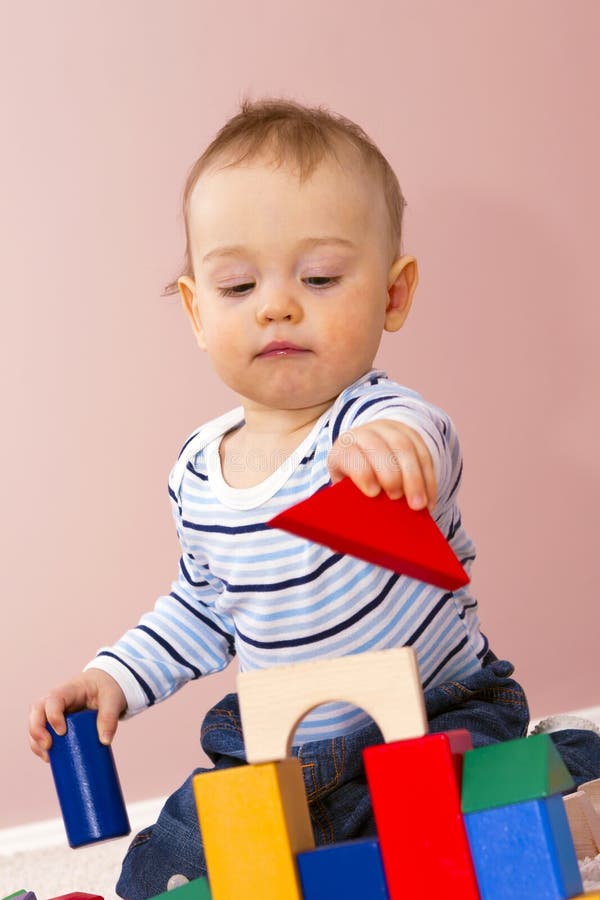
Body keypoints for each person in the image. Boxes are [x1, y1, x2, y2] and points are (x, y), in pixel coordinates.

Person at [29, 97, 600, 899]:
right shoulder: (197, 471)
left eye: (321, 277)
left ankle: (573, 767)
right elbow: (200, 609)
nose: (277, 304)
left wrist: (392, 456)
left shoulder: (378, 420)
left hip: (431, 717)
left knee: (467, 815)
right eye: (238, 284)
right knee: (169, 857)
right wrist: (112, 678)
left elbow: (427, 439)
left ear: (394, 295)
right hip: (282, 754)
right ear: (196, 310)